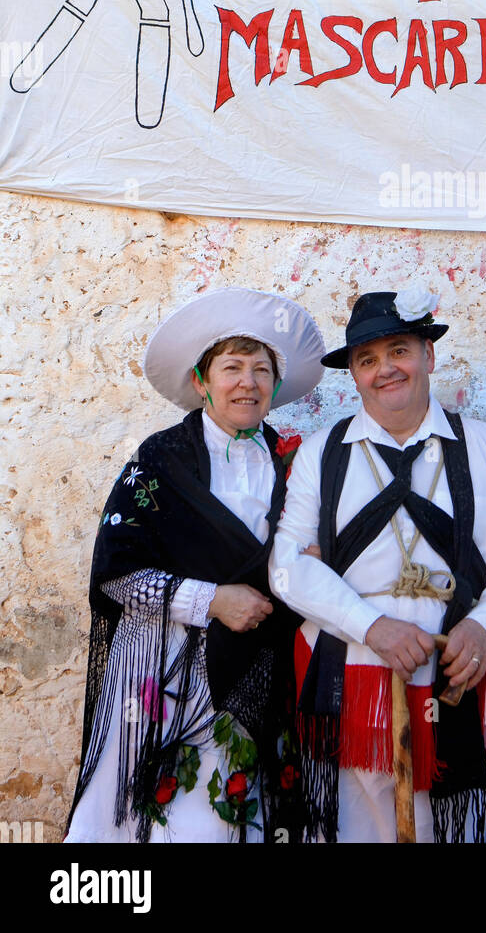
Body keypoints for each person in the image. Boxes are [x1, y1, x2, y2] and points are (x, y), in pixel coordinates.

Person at [269, 286, 486, 843]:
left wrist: (485, 624)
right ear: (353, 375)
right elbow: (286, 566)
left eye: (399, 350)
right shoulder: (321, 453)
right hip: (350, 685)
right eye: (367, 360)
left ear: (429, 355)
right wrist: (371, 626)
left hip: (459, 680)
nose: (385, 370)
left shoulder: (482, 447)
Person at [66, 287, 324, 842]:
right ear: (202, 381)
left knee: (232, 816)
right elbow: (117, 575)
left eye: (261, 370)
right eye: (231, 367)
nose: (247, 383)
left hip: (257, 671)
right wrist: (212, 600)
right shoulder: (161, 460)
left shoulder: (295, 465)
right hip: (161, 673)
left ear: (276, 386)